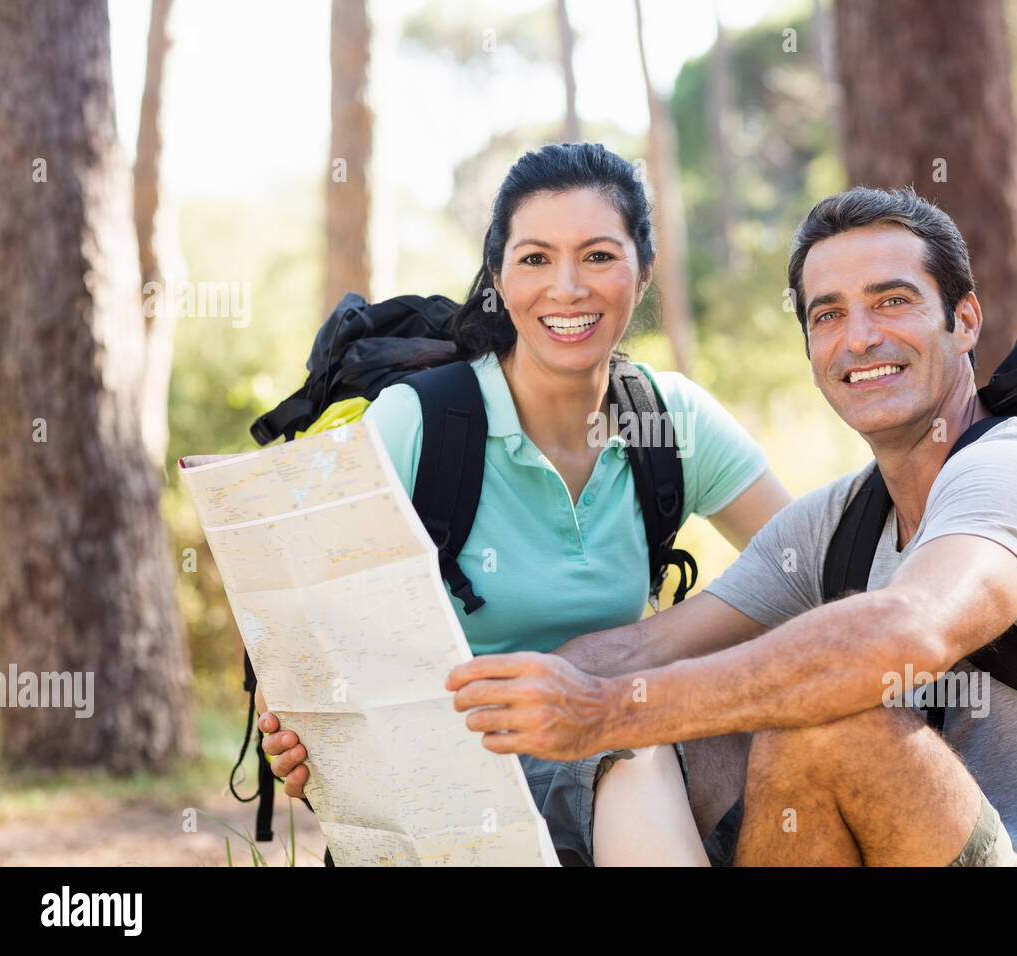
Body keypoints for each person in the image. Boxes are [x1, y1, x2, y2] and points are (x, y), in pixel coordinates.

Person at [445, 185, 1017, 866]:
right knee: (688, 734)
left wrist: (609, 713)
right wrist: (424, 724)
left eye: (891, 301)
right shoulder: (842, 520)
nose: (859, 339)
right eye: (827, 315)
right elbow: (641, 646)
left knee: (829, 729)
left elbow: (903, 633)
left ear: (964, 322)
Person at [255, 142, 792, 867]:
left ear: (644, 272)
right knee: (630, 745)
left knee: (715, 736)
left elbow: (808, 568)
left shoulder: (670, 421)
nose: (566, 288)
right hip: (456, 777)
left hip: (622, 747)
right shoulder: (419, 423)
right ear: (500, 278)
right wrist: (299, 731)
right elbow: (312, 634)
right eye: (536, 259)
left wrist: (650, 653)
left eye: (599, 256)